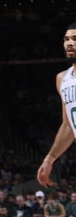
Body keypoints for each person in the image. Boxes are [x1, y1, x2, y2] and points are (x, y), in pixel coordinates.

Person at [37, 22, 76, 188]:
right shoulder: (62, 78)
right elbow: (68, 126)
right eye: (66, 39)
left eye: (75, 39)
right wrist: (50, 158)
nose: (69, 43)